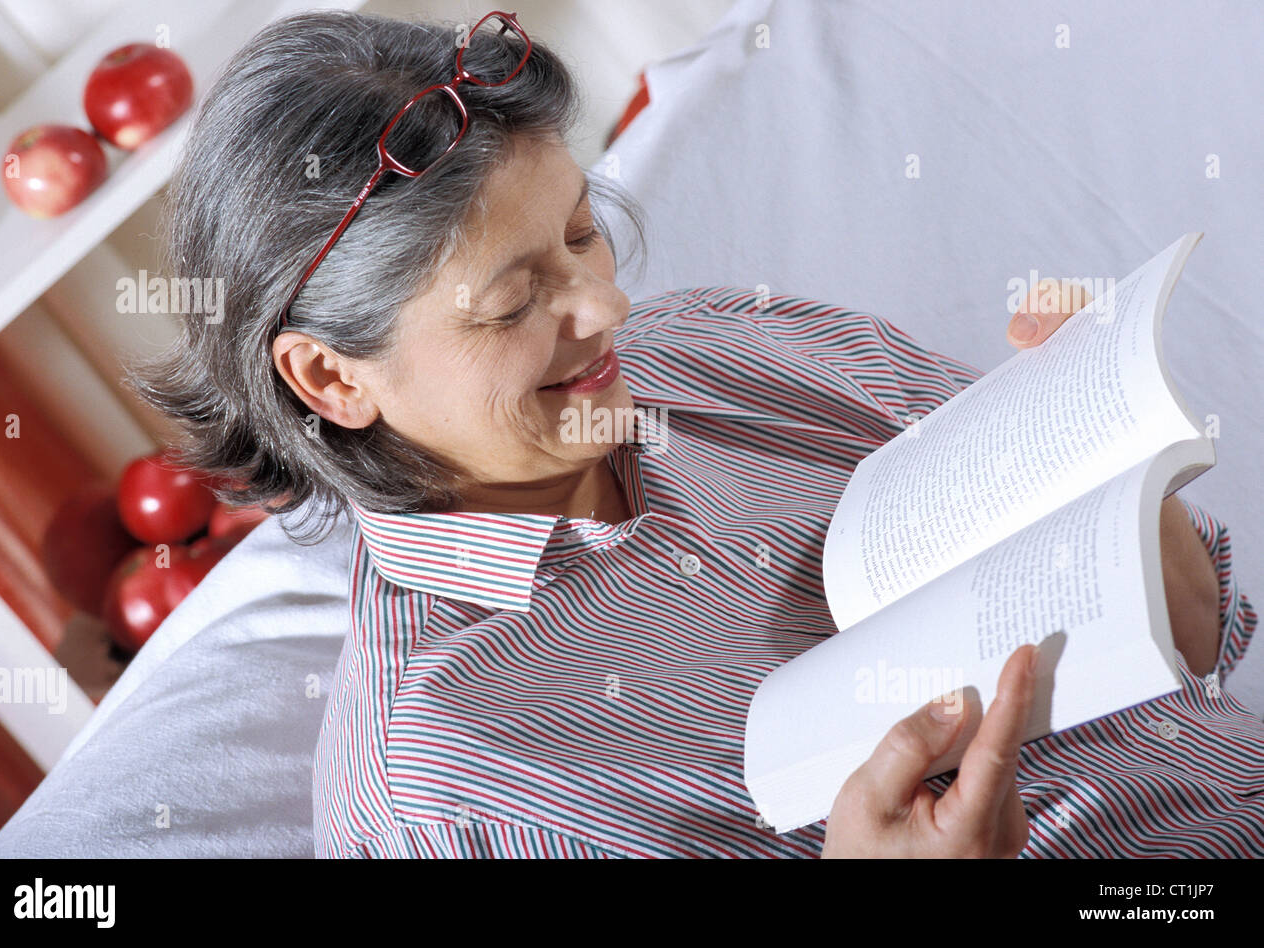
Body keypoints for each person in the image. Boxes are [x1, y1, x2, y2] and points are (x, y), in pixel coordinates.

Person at [129, 10, 1260, 858]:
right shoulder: (447, 777)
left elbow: (1209, 631)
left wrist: (1105, 473)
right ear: (330, 376)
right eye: (516, 299)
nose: (603, 309)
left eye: (582, 234)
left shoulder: (731, 344)